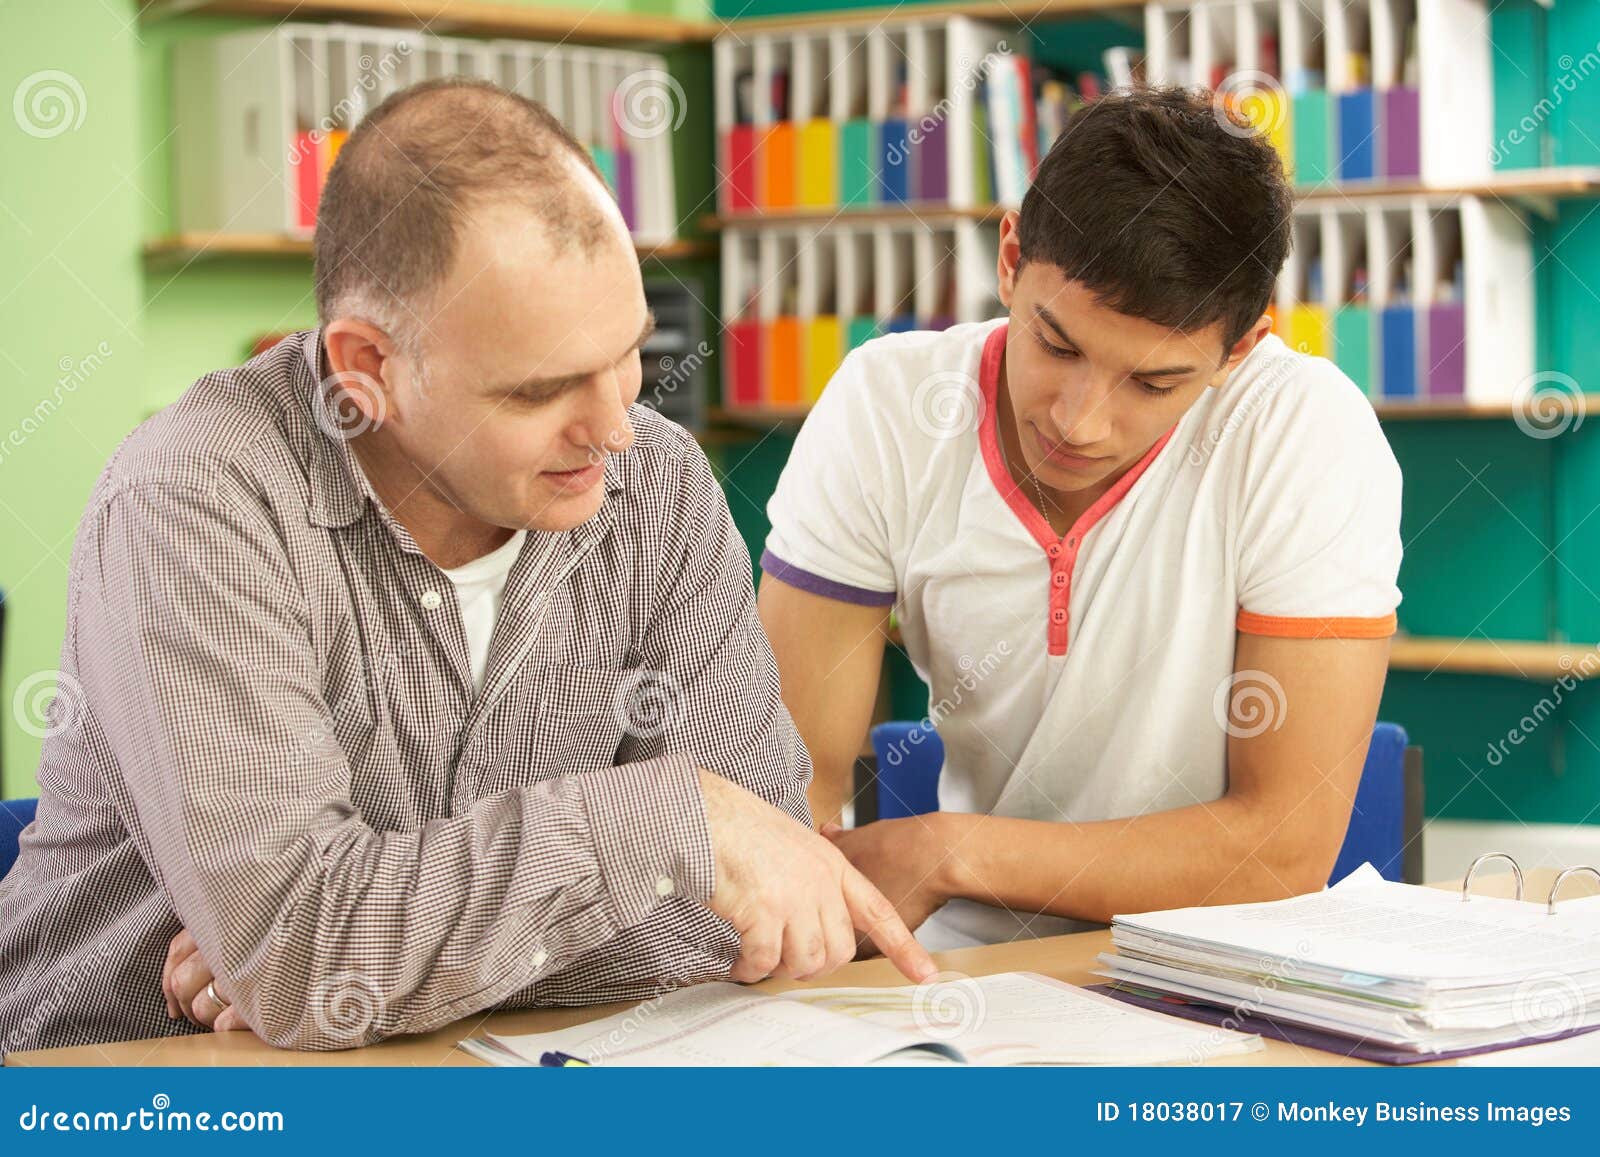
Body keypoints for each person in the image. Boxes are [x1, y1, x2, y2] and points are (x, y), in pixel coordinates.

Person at [0, 79, 932, 1054]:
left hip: (499, 1069)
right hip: (127, 1078)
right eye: (539, 390)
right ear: (368, 367)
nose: (615, 427)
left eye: (626, 355)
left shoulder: (657, 484)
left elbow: (763, 909)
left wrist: (361, 957)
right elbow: (306, 956)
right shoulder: (196, 499)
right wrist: (664, 824)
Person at [757, 86, 1403, 950]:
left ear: (1241, 347)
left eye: (1154, 382)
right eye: (1057, 345)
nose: (1080, 421)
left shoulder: (1305, 430)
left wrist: (950, 852)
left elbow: (1280, 850)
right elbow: (784, 795)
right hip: (967, 976)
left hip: (1220, 965)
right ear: (1010, 260)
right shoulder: (887, 406)